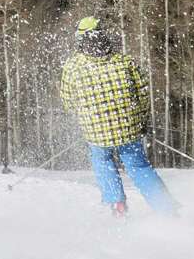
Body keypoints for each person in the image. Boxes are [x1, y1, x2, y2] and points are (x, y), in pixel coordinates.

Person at [60, 16, 177, 217]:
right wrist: (142, 120)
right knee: (139, 166)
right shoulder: (123, 60)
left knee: (102, 161)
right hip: (128, 126)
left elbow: (68, 101)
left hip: (96, 131)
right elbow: (142, 92)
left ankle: (117, 203)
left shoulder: (72, 66)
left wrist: (85, 117)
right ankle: (165, 207)